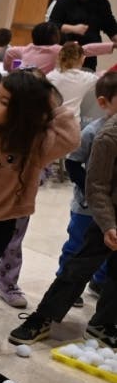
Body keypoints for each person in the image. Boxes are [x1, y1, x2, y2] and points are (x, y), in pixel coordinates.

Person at [0, 70, 80, 347]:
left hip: (0, 221)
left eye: (5, 101)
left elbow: (70, 136)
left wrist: (47, 100)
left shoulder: (35, 143)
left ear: (24, 110)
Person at [8, 100, 117, 347]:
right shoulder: (109, 137)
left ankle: (104, 323)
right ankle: (42, 317)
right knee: (79, 266)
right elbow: (96, 185)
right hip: (109, 212)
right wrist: (109, 224)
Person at [55, 73, 117, 309]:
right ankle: (67, 282)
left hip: (110, 210)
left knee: (106, 247)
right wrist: (88, 190)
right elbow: (72, 163)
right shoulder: (93, 131)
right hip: (86, 207)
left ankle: (99, 281)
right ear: (103, 102)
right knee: (77, 246)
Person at [49, 0, 117, 71]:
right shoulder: (63, 1)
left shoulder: (102, 4)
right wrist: (73, 28)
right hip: (65, 54)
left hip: (88, 57)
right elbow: (51, 25)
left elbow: (111, 27)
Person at [4, 21, 113, 75]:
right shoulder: (58, 50)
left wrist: (10, 70)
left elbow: (9, 52)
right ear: (55, 37)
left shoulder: (27, 49)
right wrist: (112, 45)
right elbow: (86, 49)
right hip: (40, 90)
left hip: (20, 82)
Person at [47, 42, 101, 124]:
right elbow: (104, 77)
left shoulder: (50, 76)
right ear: (82, 59)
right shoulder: (86, 78)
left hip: (52, 122)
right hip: (73, 123)